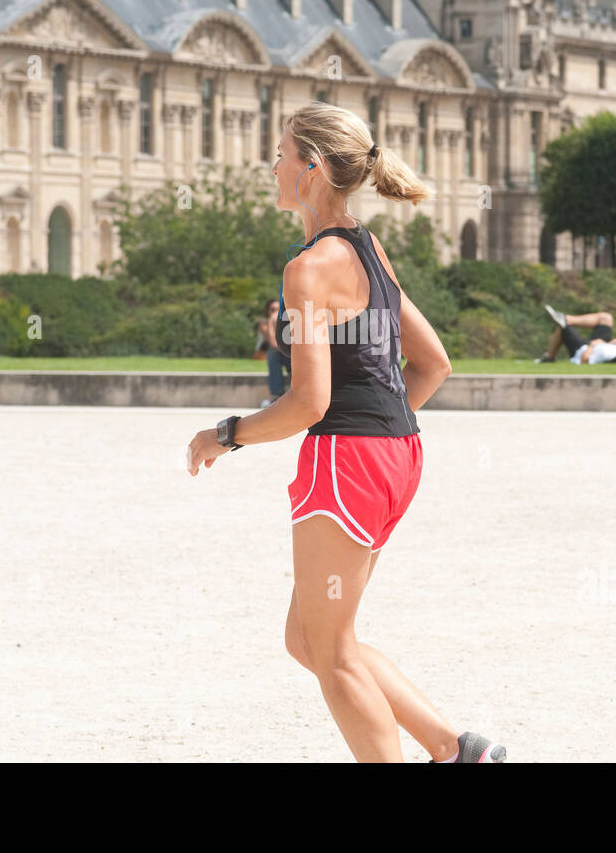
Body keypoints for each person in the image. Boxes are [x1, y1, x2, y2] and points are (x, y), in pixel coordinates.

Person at [184, 101, 506, 763]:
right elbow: (434, 362)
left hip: (350, 461)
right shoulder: (369, 248)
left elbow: (308, 401)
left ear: (314, 169)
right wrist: (380, 435)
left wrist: (227, 432)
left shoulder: (307, 269)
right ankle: (457, 749)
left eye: (281, 154)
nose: (272, 165)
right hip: (398, 454)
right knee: (311, 638)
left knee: (329, 652)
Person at [255, 298, 290, 407]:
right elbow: (273, 343)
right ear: (268, 311)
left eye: (277, 309)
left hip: (291, 356)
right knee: (272, 353)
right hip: (278, 355)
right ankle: (277, 395)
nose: (275, 311)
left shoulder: (288, 321)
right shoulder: (264, 323)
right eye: (272, 309)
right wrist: (272, 321)